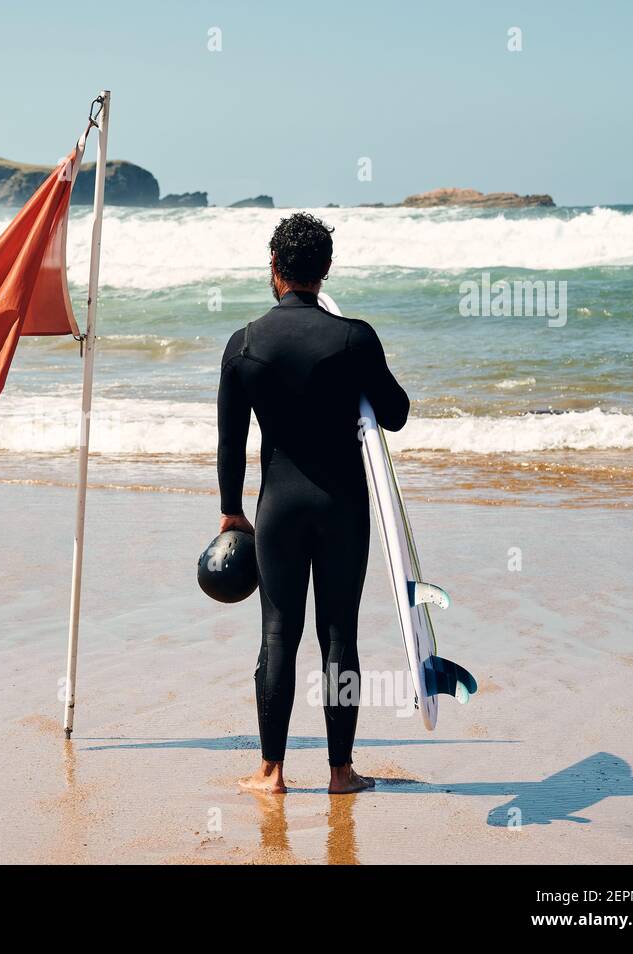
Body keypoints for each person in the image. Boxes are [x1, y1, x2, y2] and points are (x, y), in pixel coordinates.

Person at [217, 213, 409, 795]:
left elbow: (231, 440)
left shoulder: (244, 343)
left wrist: (232, 512)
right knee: (339, 636)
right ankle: (340, 772)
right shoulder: (355, 337)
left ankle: (271, 773)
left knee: (277, 634)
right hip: (342, 508)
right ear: (325, 270)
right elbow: (396, 413)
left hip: (277, 507)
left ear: (274, 270)